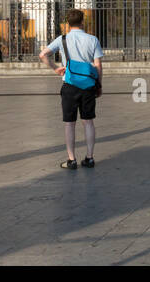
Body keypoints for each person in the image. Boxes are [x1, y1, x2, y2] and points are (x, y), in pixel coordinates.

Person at [40, 9, 104, 169]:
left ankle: (71, 159)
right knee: (88, 121)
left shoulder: (63, 39)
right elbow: (98, 65)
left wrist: (55, 68)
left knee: (69, 123)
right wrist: (99, 84)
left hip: (69, 85)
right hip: (88, 85)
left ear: (68, 23)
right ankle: (89, 158)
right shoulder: (92, 39)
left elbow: (43, 55)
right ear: (82, 22)